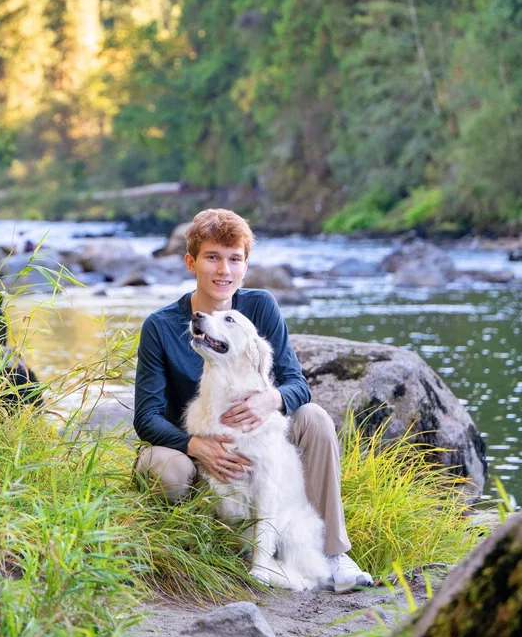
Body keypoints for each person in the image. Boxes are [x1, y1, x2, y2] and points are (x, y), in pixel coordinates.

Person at [133, 206, 372, 592]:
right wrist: (195, 445)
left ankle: (332, 553)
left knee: (313, 417)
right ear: (191, 262)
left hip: (255, 445)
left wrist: (271, 399)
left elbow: (297, 383)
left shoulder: (260, 307)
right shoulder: (160, 327)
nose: (223, 270)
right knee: (167, 468)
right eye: (212, 257)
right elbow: (146, 417)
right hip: (196, 452)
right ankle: (181, 549)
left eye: (234, 259)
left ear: (245, 265)